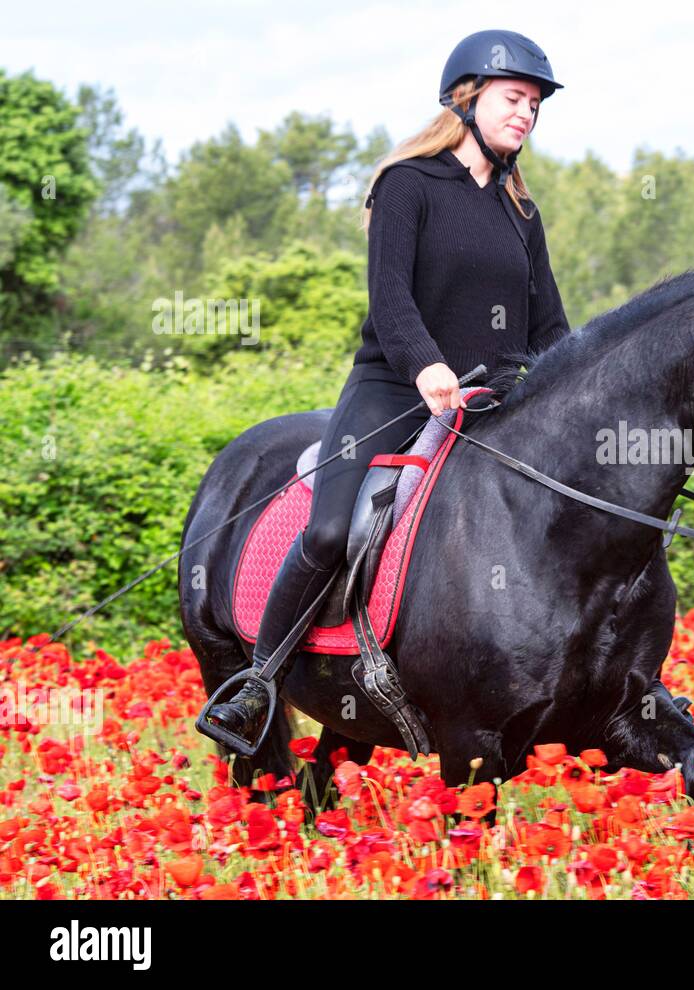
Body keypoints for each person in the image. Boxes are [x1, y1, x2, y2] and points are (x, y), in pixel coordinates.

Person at [197, 29, 571, 753]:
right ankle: (257, 683)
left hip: (495, 402)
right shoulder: (409, 184)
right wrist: (429, 367)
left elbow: (551, 326)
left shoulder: (521, 212)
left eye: (534, 105)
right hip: (395, 389)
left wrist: (573, 397)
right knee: (334, 529)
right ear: (466, 99)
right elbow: (391, 300)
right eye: (514, 98)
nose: (526, 114)